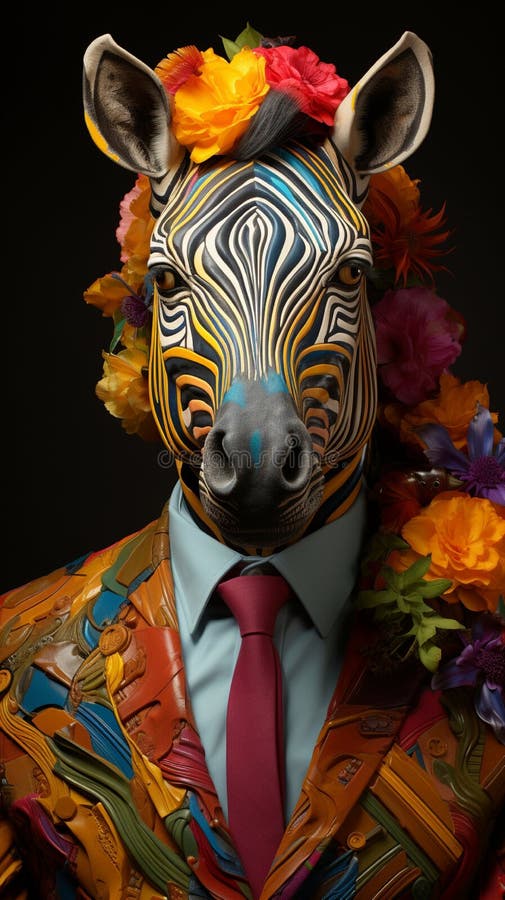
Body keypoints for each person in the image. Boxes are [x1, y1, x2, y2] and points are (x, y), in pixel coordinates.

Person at [1, 22, 503, 899]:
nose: (256, 412)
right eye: (175, 285)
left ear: (384, 328)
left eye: (339, 284)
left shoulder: (486, 646)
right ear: (142, 330)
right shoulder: (14, 658)